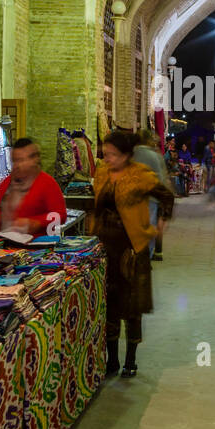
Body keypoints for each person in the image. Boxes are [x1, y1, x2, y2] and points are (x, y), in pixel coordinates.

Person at [93, 130, 175, 378]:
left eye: (113, 155)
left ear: (127, 155)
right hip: (106, 247)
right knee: (110, 306)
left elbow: (166, 196)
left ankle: (130, 360)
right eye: (105, 154)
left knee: (131, 307)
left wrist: (162, 220)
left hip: (132, 248)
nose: (107, 159)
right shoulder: (102, 173)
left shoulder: (140, 175)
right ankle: (111, 361)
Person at [0, 137, 67, 236]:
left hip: (36, 247)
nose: (17, 165)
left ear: (34, 160)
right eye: (14, 160)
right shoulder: (6, 183)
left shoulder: (48, 183)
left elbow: (61, 216)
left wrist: (36, 222)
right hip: (6, 245)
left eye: (21, 160)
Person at [133, 130, 172, 261]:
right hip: (152, 197)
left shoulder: (132, 153)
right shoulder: (154, 155)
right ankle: (148, 254)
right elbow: (161, 178)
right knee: (150, 225)